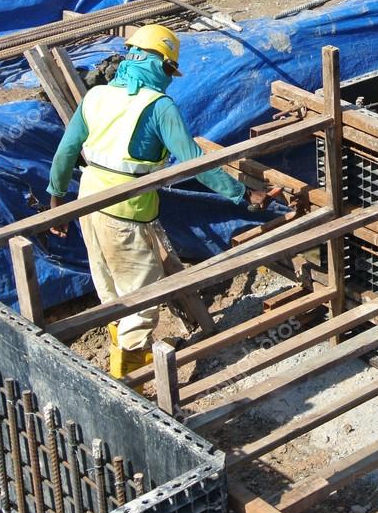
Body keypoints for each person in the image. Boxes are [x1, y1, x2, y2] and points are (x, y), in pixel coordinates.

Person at [47, 24, 273, 379]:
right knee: (142, 302)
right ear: (158, 64)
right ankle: (127, 382)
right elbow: (195, 162)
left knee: (111, 289)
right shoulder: (159, 106)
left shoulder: (96, 96)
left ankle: (123, 353)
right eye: (169, 69)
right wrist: (243, 194)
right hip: (126, 213)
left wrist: (57, 203)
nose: (169, 78)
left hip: (88, 204)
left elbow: (66, 151)